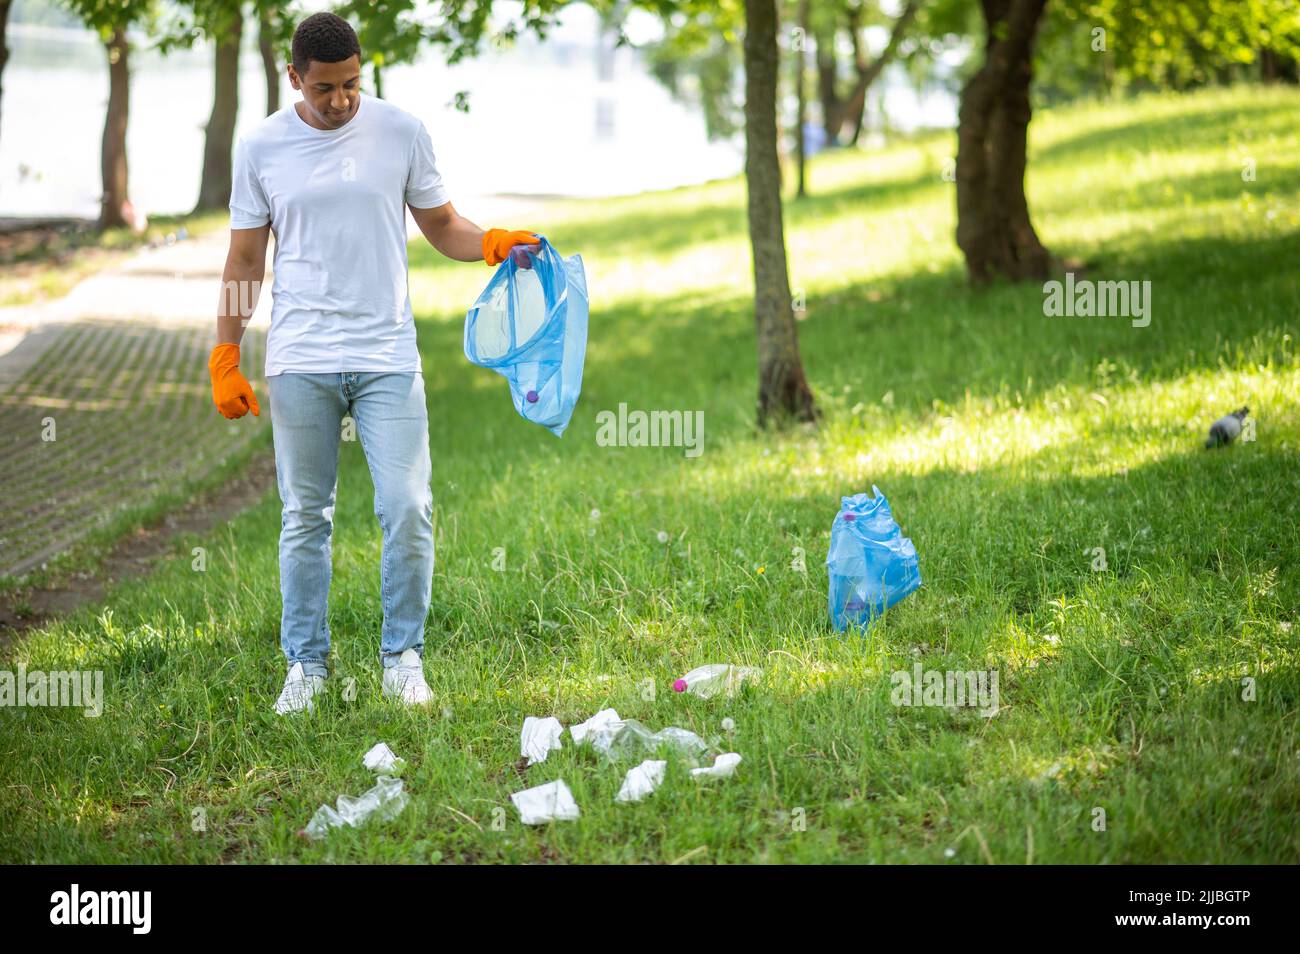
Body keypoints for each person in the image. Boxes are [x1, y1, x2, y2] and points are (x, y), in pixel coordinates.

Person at [207, 11, 539, 714]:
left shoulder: (400, 132)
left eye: (352, 84)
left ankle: (402, 659)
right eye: (324, 88)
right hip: (301, 358)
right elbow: (244, 258)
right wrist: (225, 352)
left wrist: (494, 241)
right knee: (305, 516)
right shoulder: (262, 145)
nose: (341, 101)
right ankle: (306, 667)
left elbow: (443, 225)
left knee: (409, 506)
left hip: (387, 352)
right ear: (293, 77)